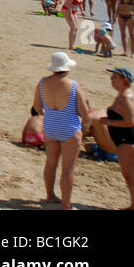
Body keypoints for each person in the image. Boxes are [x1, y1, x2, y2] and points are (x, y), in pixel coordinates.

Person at [31, 52, 90, 210]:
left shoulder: (43, 82)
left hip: (50, 126)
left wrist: (49, 115)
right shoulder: (73, 85)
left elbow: (37, 106)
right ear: (67, 68)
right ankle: (66, 204)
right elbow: (84, 112)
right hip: (69, 128)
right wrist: (84, 126)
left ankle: (50, 195)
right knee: (68, 168)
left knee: (51, 163)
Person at [85, 67, 134, 210]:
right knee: (129, 176)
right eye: (112, 77)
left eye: (115, 77)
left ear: (124, 80)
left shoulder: (126, 97)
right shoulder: (122, 95)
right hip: (123, 141)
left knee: (132, 176)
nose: (111, 79)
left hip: (128, 141)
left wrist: (108, 122)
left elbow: (130, 122)